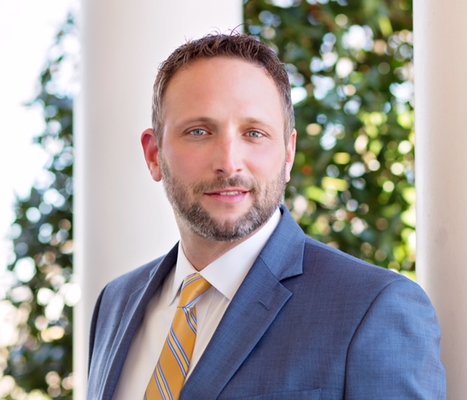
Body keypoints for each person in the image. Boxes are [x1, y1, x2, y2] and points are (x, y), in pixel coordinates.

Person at [87, 33, 446, 399]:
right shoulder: (115, 303)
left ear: (288, 155)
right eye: (199, 132)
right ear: (154, 154)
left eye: (254, 133)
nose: (229, 162)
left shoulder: (373, 308)